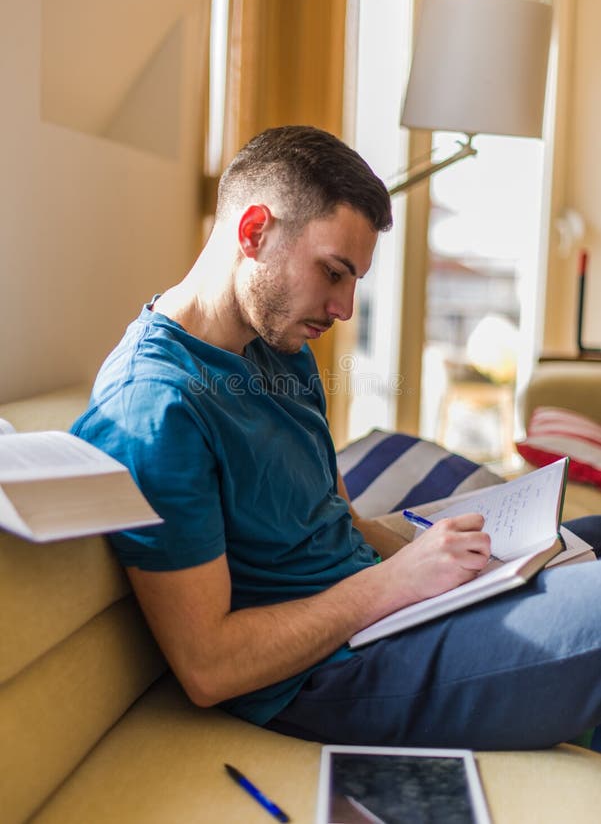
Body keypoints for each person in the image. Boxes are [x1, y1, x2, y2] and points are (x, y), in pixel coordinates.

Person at [72, 125, 601, 750]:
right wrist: (397, 582)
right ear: (253, 233)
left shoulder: (278, 346)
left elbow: (340, 517)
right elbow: (209, 667)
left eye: (354, 281)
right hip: (328, 673)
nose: (346, 308)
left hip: (388, 612)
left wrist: (460, 553)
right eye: (333, 273)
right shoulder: (156, 408)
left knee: (582, 535)